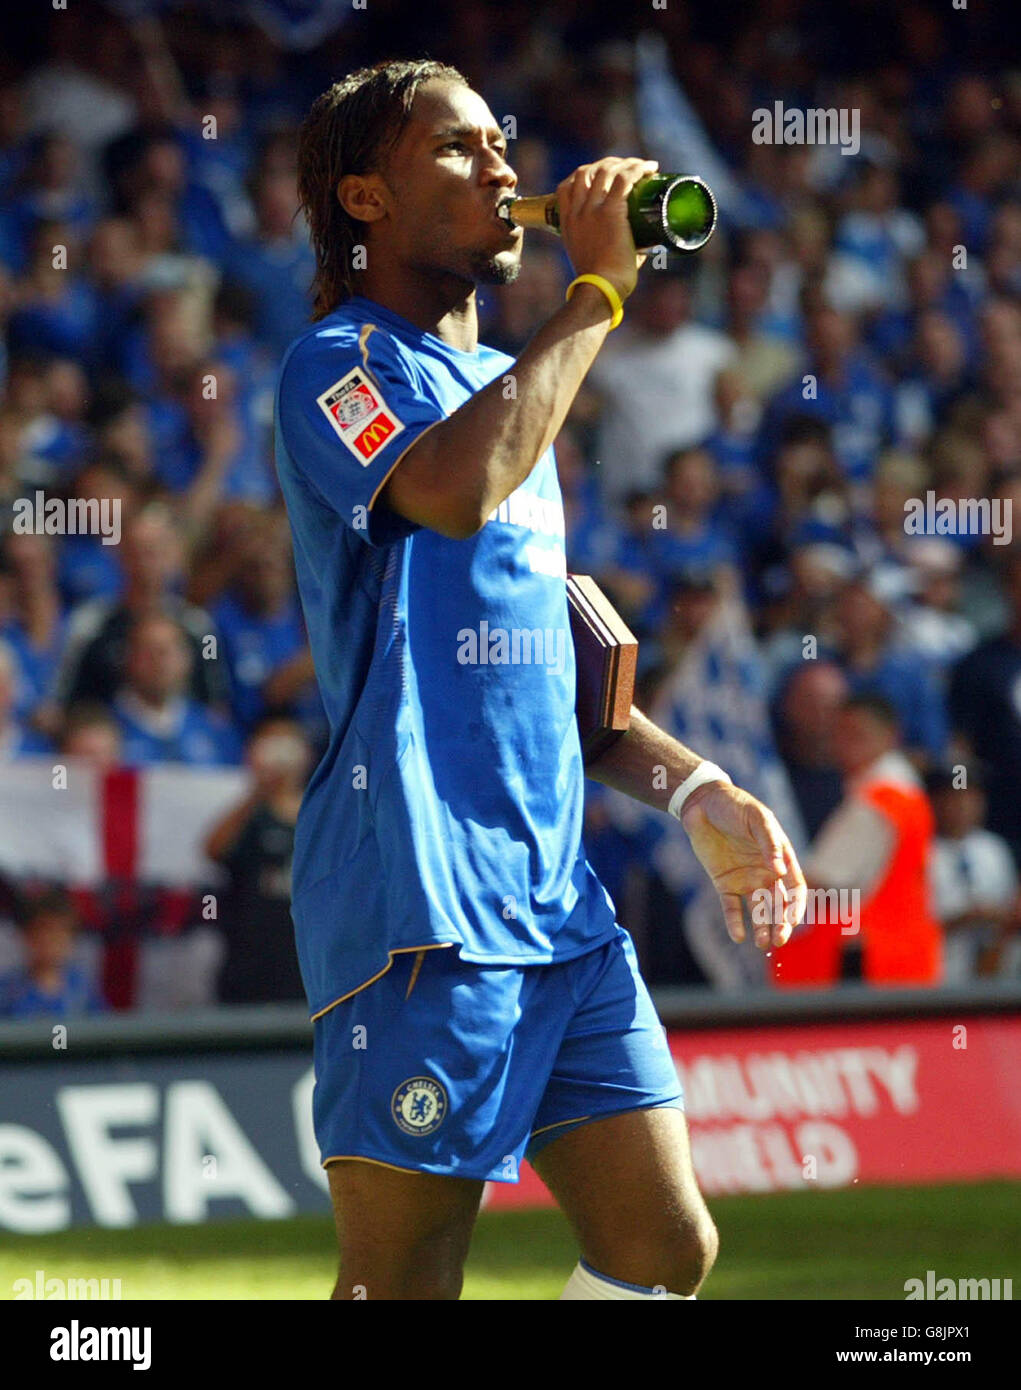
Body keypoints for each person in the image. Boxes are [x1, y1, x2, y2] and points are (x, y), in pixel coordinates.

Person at [277, 58, 805, 1302]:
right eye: (455, 150)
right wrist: (598, 292)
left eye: (501, 144)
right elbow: (451, 491)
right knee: (398, 1286)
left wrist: (699, 792)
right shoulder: (334, 365)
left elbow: (562, 672)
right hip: (420, 899)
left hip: (553, 902)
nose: (504, 168)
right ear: (363, 198)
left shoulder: (518, 398)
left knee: (661, 1249)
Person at [774, 694, 943, 988]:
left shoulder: (878, 801)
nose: (845, 745)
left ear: (890, 736)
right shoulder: (907, 792)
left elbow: (824, 880)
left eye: (857, 735)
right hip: (903, 963)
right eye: (841, 734)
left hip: (871, 967)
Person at [204, 717, 308, 1004]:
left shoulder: (318, 811)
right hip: (249, 951)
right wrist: (257, 793)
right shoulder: (248, 813)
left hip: (304, 954)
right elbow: (214, 850)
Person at [0, 887, 105, 1018]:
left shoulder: (82, 989)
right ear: (27, 937)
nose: (50, 944)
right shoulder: (7, 990)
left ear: (71, 940)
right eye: (41, 935)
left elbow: (102, 1029)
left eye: (58, 937)